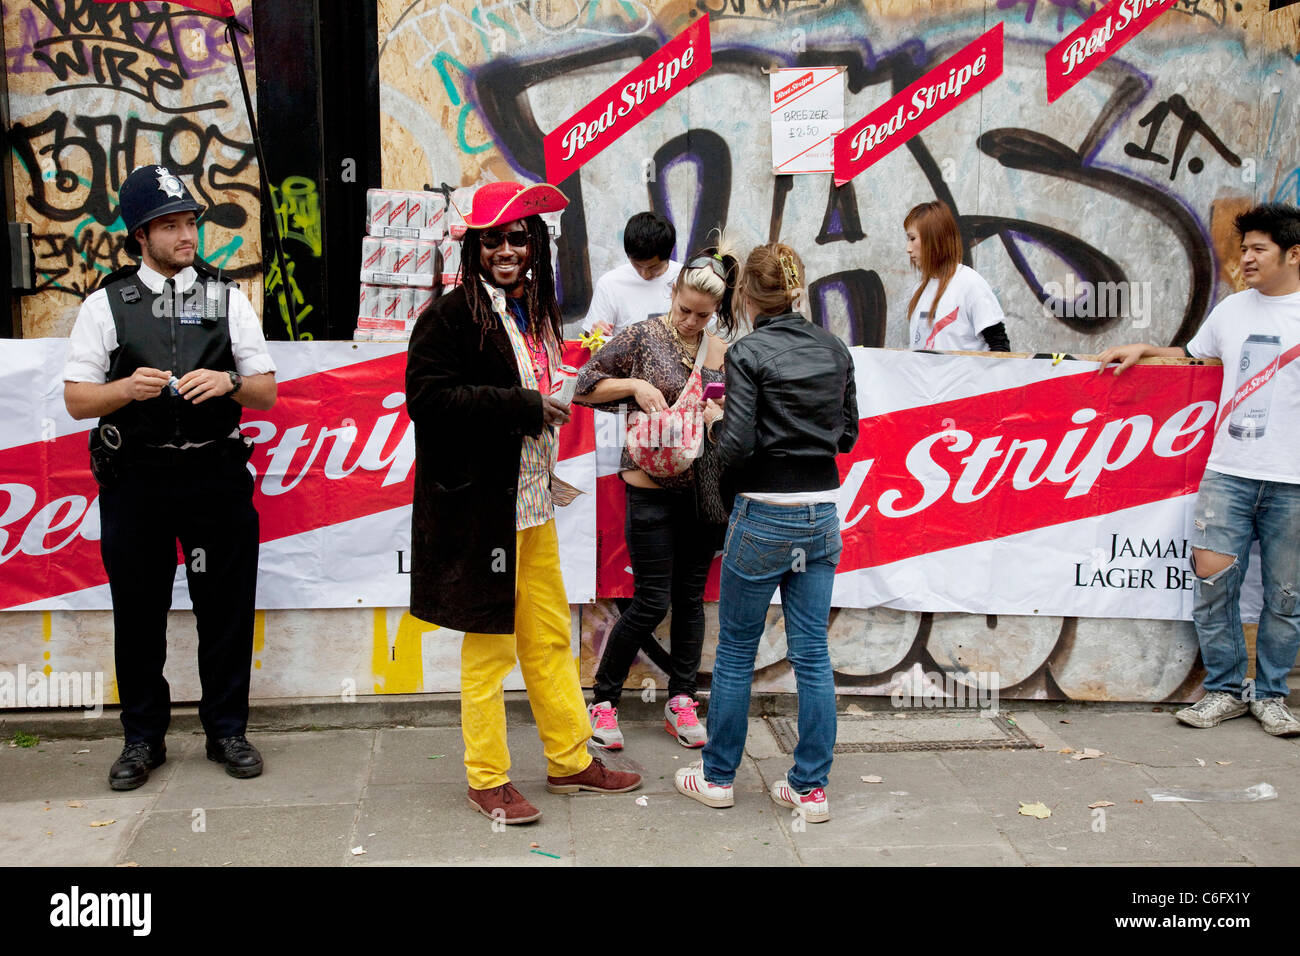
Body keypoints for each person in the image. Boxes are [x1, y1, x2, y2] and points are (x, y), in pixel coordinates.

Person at [406, 180, 642, 825]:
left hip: (530, 504)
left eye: (519, 237)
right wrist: (523, 405)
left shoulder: (531, 314)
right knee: (489, 648)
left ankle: (570, 762)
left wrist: (573, 392)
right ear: (475, 247)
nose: (508, 249)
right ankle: (487, 778)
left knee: (546, 640)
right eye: (494, 239)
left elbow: (535, 388)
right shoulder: (450, 316)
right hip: (483, 512)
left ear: (535, 244)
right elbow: (427, 402)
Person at [62, 164, 277, 790]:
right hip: (137, 479)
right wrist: (125, 389)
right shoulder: (105, 304)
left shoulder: (227, 296)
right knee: (138, 611)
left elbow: (264, 391)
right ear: (140, 234)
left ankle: (227, 730)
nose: (187, 235)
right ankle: (142, 739)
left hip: (214, 473)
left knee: (226, 608)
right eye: (171, 225)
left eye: (190, 222)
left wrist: (231, 382)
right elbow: (77, 400)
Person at [1098, 202, 1300, 737]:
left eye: (1260, 249)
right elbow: (1193, 357)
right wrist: (1147, 351)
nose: (1247, 259)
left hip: (1294, 480)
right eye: (1245, 248)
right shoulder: (1233, 311)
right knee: (1214, 587)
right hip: (1228, 472)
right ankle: (1226, 690)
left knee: (1286, 596)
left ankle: (1274, 695)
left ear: (1294, 254)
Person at [674, 242, 858, 823]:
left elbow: (736, 446)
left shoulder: (748, 351)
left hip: (763, 514)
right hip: (821, 515)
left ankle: (718, 778)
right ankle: (810, 790)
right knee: (812, 656)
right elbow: (848, 435)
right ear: (797, 291)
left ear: (745, 297)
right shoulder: (834, 348)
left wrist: (716, 421)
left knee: (733, 654)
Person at [573, 247, 741, 750]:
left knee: (690, 599)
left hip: (702, 490)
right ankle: (603, 702)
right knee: (649, 600)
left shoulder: (722, 350)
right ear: (672, 292)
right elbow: (584, 386)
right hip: (648, 488)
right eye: (684, 309)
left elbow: (738, 418)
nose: (690, 321)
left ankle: (681, 698)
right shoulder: (642, 336)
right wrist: (635, 384)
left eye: (702, 315)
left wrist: (721, 416)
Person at [903, 200, 1011, 352]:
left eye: (912, 238)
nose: (908, 249)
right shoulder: (919, 289)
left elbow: (1000, 347)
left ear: (934, 238)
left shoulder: (969, 284)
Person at [581, 212, 682, 341]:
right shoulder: (610, 283)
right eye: (637, 265)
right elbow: (589, 340)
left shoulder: (687, 280)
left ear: (671, 250)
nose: (644, 274)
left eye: (653, 267)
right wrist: (595, 335)